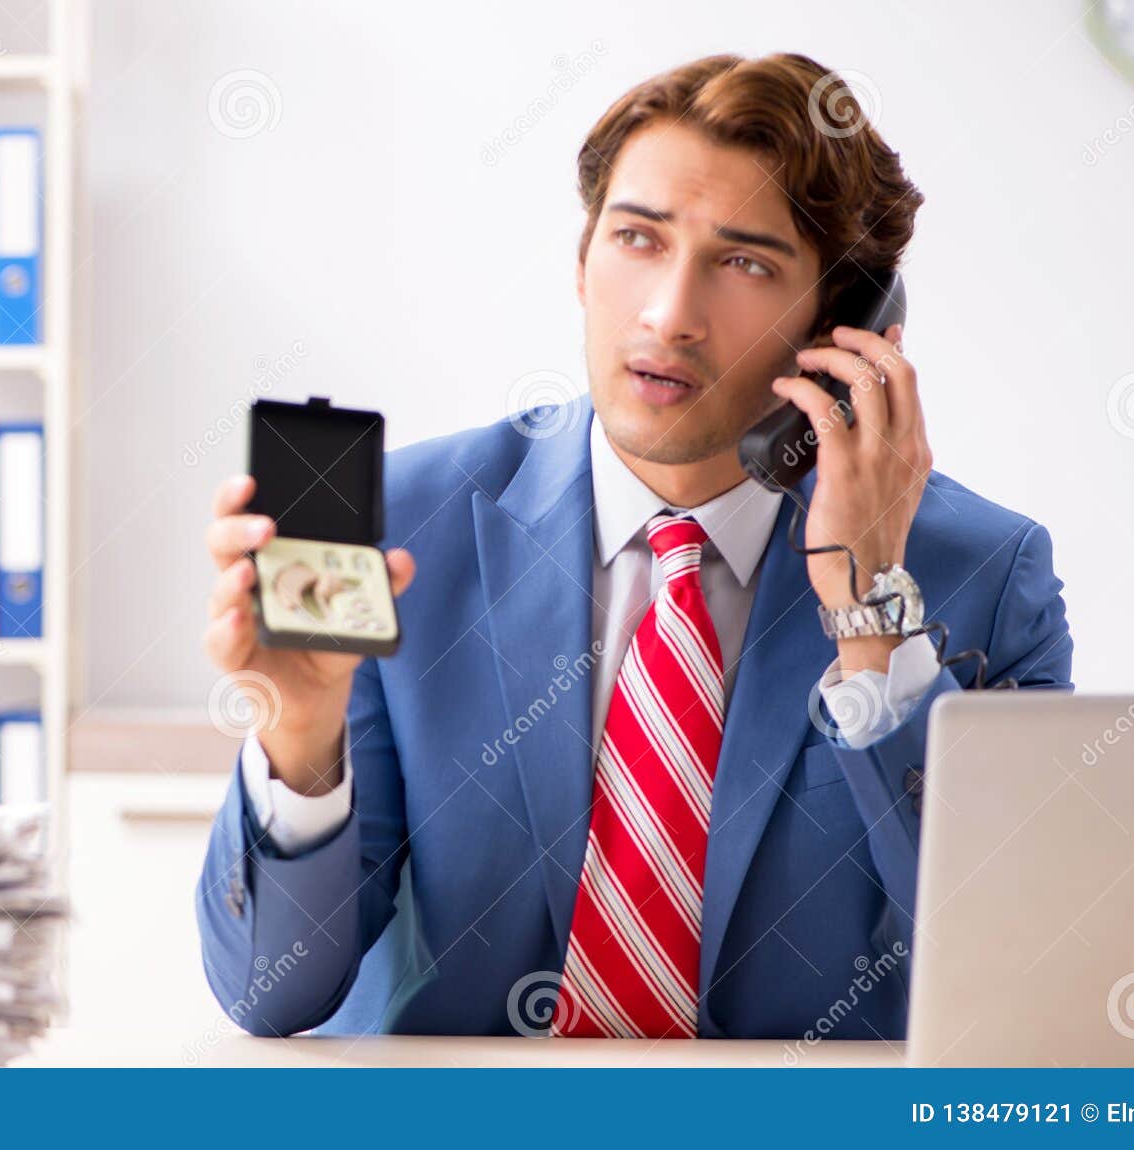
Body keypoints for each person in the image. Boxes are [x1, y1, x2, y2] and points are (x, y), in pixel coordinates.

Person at [196, 53, 1072, 1039]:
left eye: (744, 263)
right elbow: (270, 995)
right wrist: (299, 740)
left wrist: (868, 609)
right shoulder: (399, 530)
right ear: (581, 263)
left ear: (841, 327)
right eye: (637, 240)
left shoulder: (985, 575)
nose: (667, 315)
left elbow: (1029, 978)